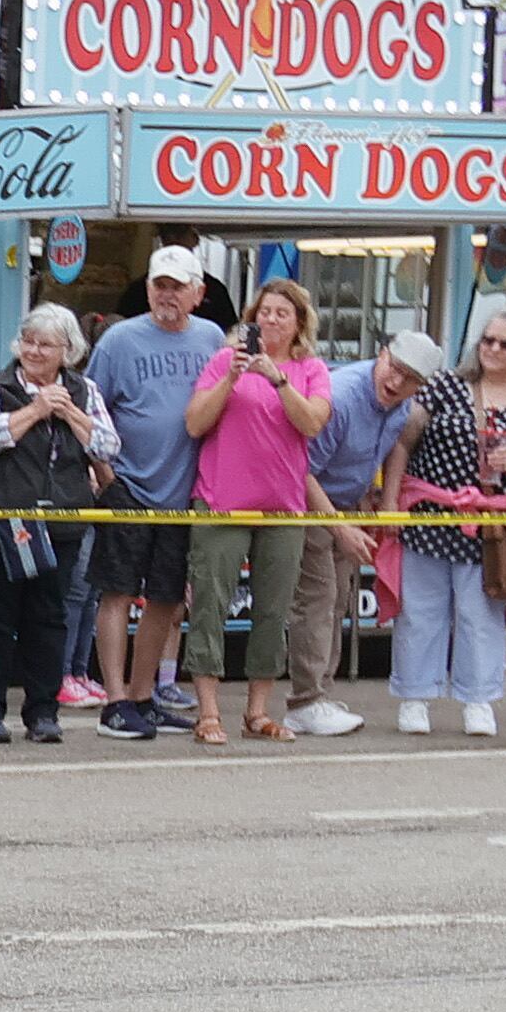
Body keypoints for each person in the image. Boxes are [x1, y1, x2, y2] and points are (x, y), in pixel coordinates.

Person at [178, 277, 332, 745]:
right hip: (222, 499)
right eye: (263, 312)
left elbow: (311, 423)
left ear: (299, 323)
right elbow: (194, 423)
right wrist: (233, 378)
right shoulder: (225, 360)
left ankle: (257, 711)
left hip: (282, 505)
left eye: (281, 314)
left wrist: (278, 379)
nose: (270, 321)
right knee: (210, 604)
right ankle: (208, 711)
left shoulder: (310, 369)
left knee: (273, 609)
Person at [0, 305, 120, 744]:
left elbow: (108, 445)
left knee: (49, 618)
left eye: (44, 344)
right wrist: (33, 410)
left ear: (67, 351)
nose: (32, 350)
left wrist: (70, 414)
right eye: (27, 341)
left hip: (60, 522)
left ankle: (43, 712)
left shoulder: (84, 391)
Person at [84, 246, 226, 740]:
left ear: (198, 293)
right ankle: (115, 700)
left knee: (166, 599)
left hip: (184, 491)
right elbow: (91, 409)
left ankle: (144, 696)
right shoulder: (119, 341)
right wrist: (105, 477)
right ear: (148, 289)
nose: (167, 294)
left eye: (177, 286)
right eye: (159, 284)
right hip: (129, 485)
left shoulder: (212, 339)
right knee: (118, 592)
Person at [387, 306, 506, 738]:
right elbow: (403, 443)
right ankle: (415, 696)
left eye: (505, 343)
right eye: (488, 340)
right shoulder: (443, 385)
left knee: (481, 613)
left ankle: (478, 699)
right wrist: (390, 504)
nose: (493, 348)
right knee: (420, 610)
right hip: (430, 512)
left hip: (495, 527)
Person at [288, 330, 440, 737]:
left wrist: (387, 501)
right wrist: (339, 528)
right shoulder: (341, 398)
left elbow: (395, 445)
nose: (395, 382)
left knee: (336, 600)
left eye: (409, 379)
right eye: (393, 368)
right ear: (382, 353)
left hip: (348, 502)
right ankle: (305, 701)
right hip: (309, 503)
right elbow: (300, 470)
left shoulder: (404, 406)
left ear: (419, 386)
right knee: (318, 600)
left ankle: (320, 691)